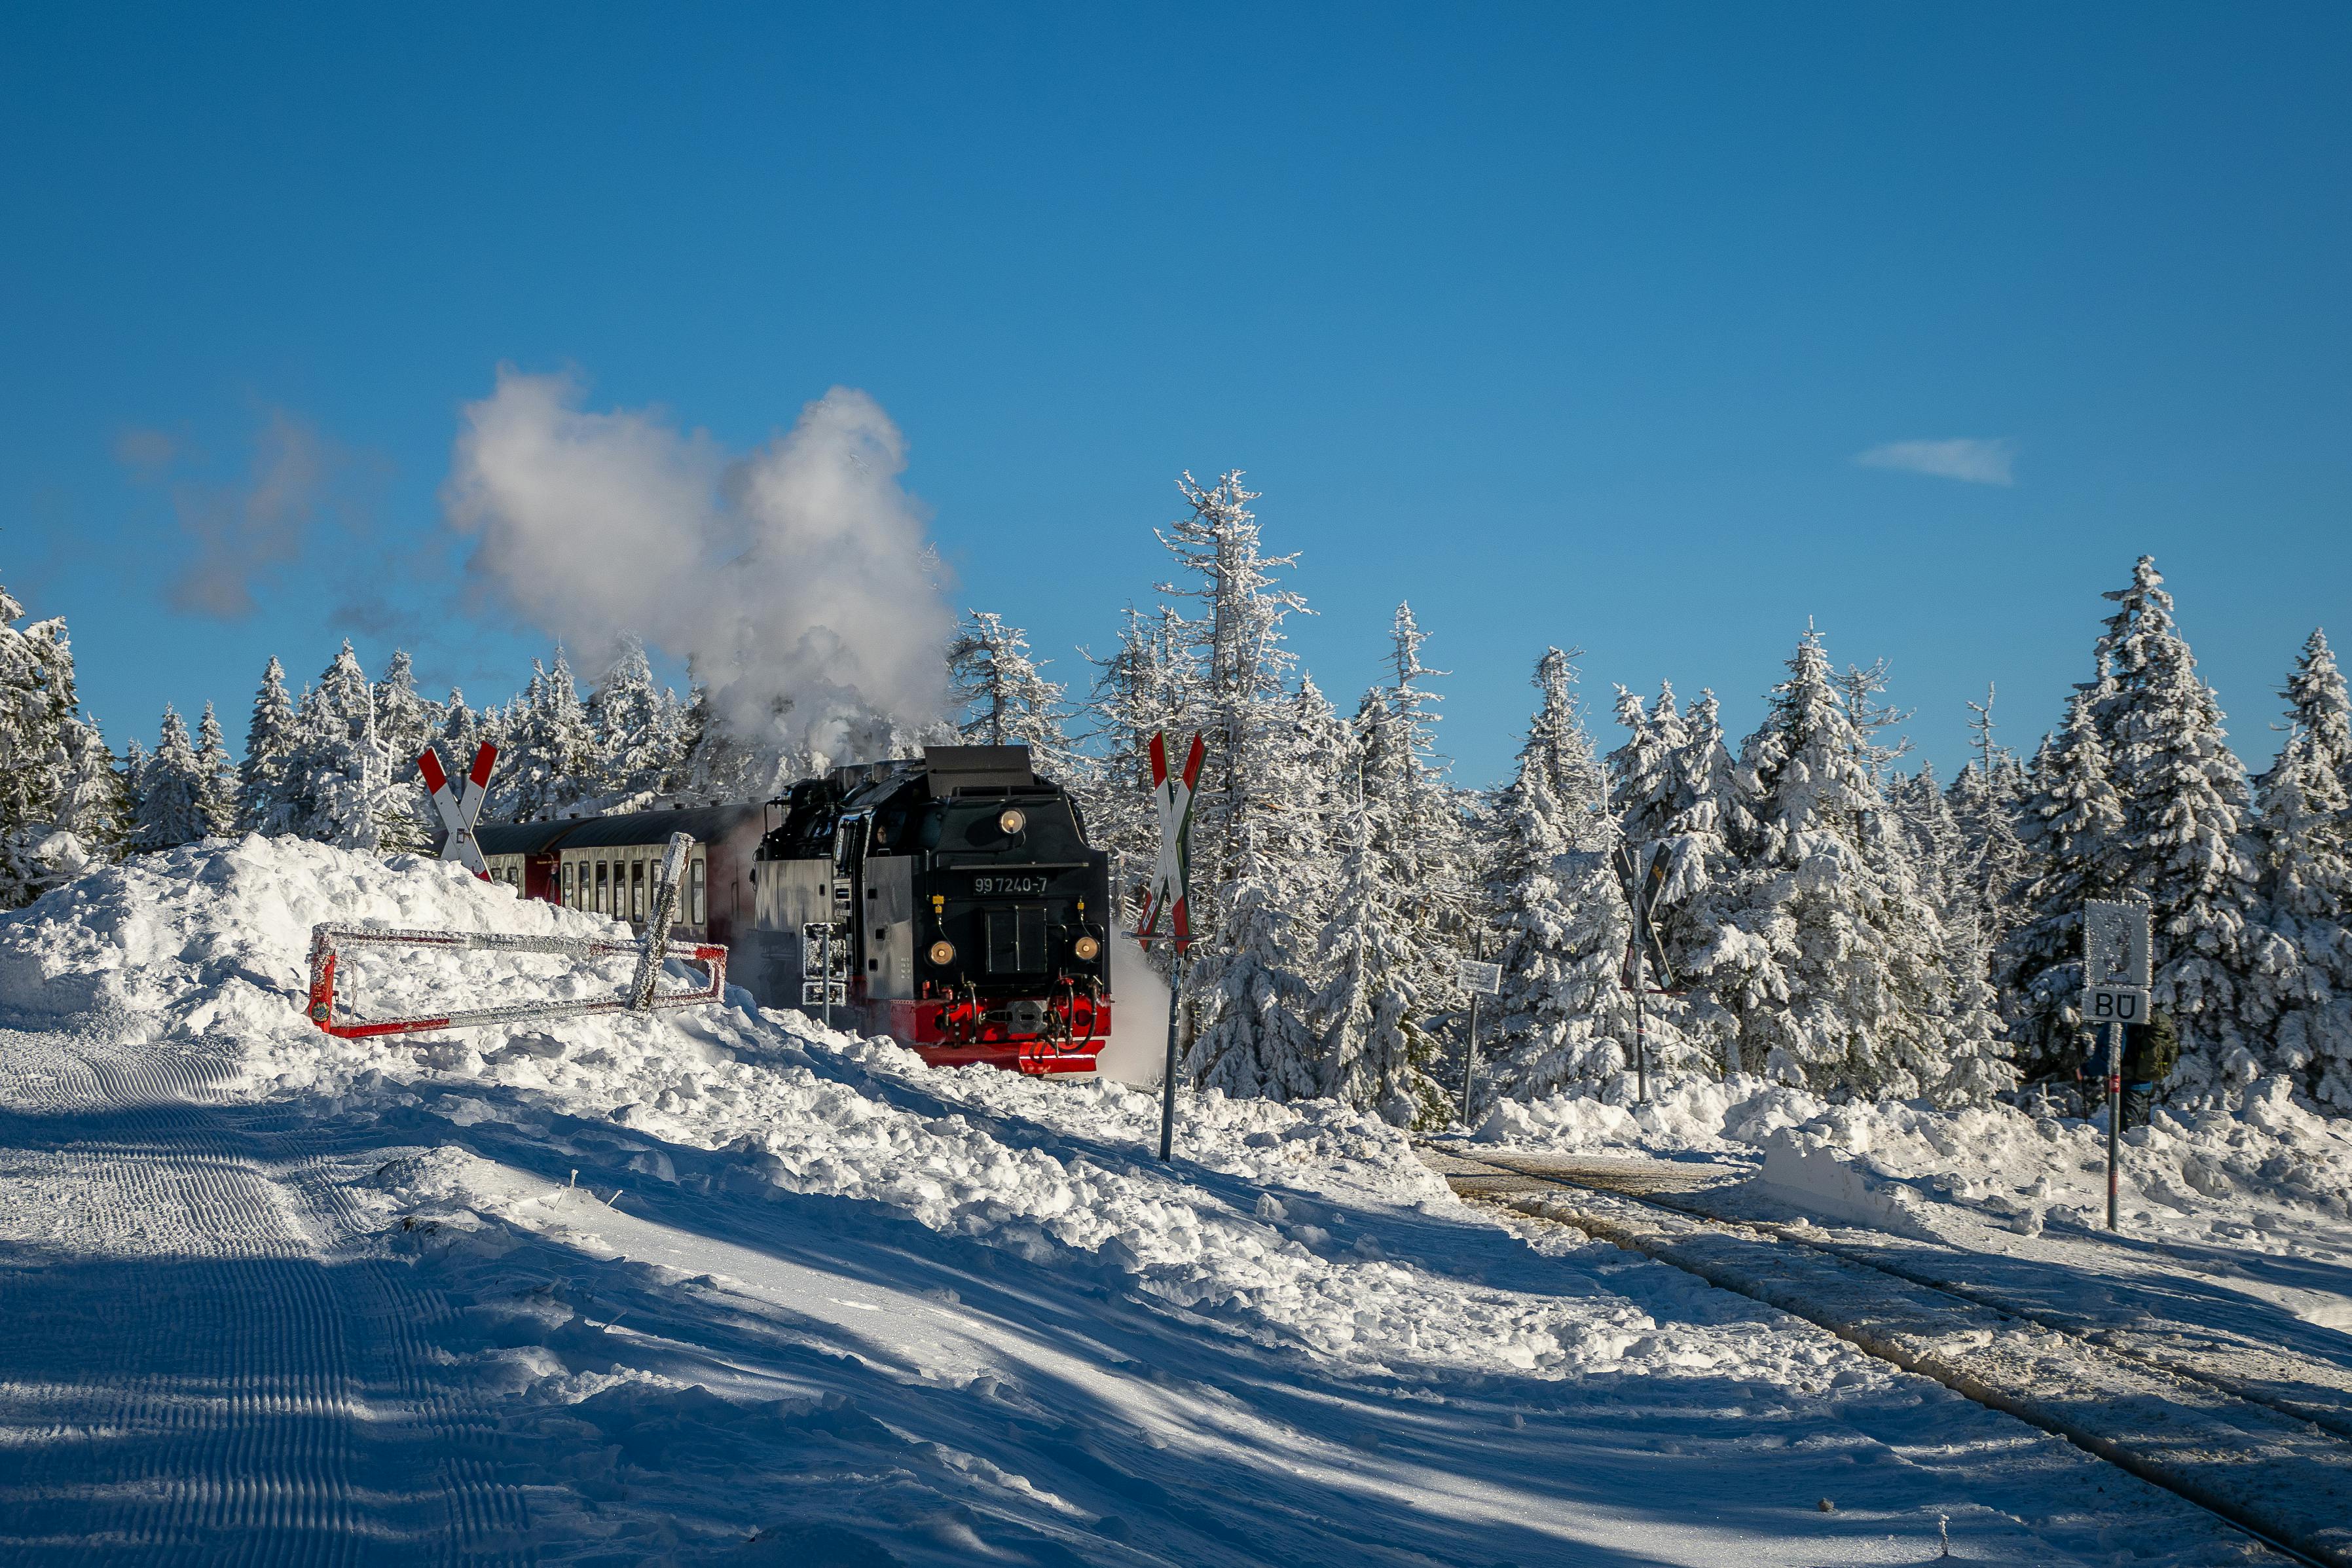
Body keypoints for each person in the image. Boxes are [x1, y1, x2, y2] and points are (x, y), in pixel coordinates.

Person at [2099, 1006, 2177, 1131]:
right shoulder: (2142, 1018)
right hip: (2146, 1083)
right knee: (2140, 1131)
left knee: (2129, 1133)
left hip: (2129, 1085)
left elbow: (2117, 1053)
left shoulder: (2123, 1022)